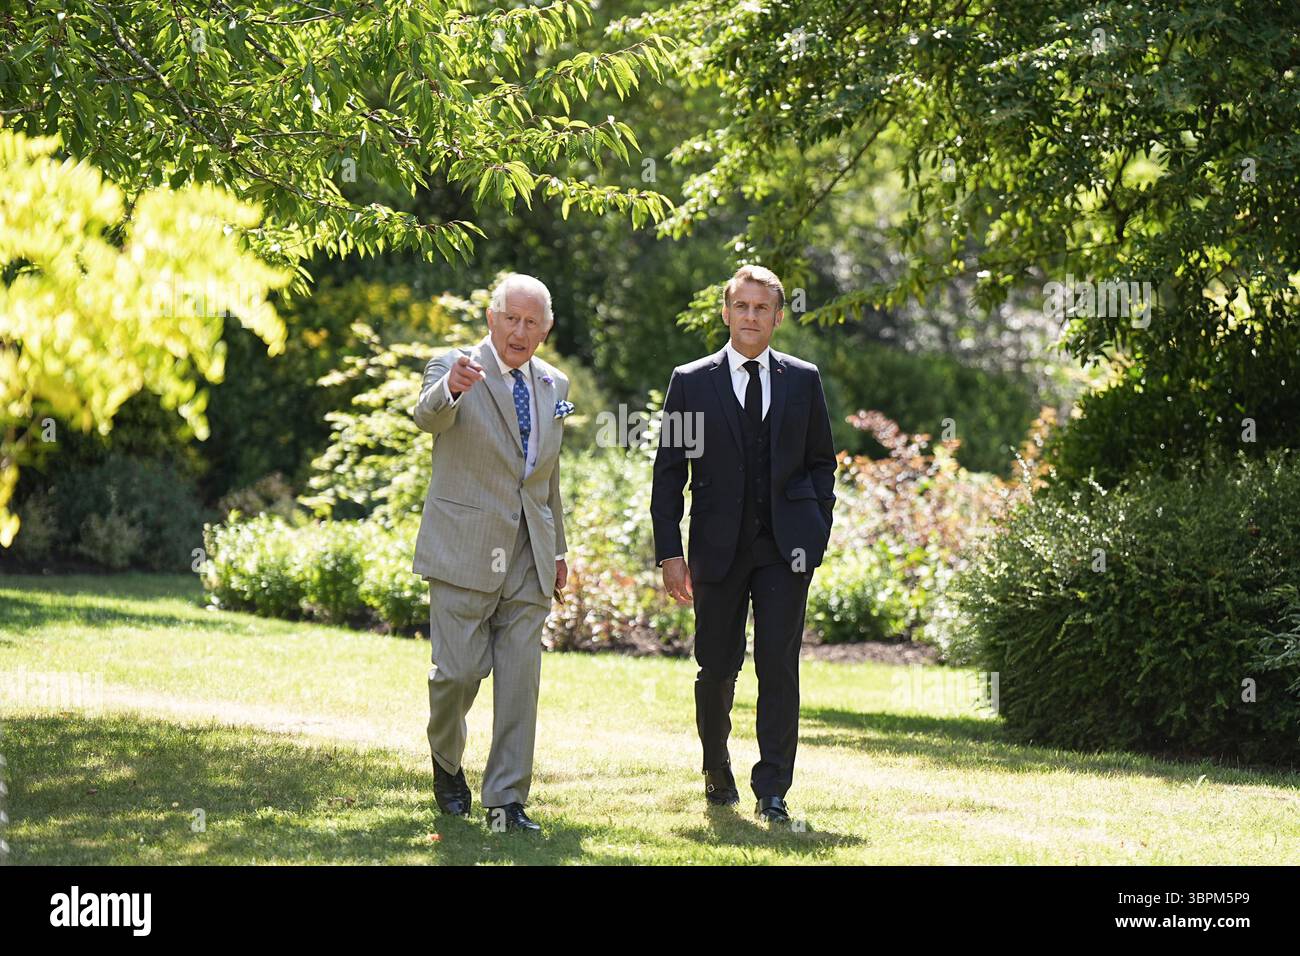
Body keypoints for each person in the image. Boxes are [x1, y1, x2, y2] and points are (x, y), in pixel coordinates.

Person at [650, 265, 837, 823]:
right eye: (742, 306)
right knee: (716, 667)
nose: (751, 317)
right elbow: (668, 473)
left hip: (787, 550)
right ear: (726, 312)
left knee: (779, 667)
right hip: (716, 548)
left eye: (762, 308)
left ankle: (774, 787)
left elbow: (821, 461)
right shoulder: (691, 380)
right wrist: (670, 552)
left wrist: (815, 525)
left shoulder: (803, 379)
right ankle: (716, 767)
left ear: (778, 317)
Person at [411, 273, 570, 833]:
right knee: (456, 674)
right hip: (464, 549)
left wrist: (558, 550)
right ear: (491, 318)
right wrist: (451, 388)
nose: (520, 331)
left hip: (529, 552)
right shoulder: (454, 366)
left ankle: (506, 800)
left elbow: (547, 478)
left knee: (520, 681)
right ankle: (447, 761)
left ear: (546, 329)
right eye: (511, 319)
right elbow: (428, 416)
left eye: (532, 322)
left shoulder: (554, 384)